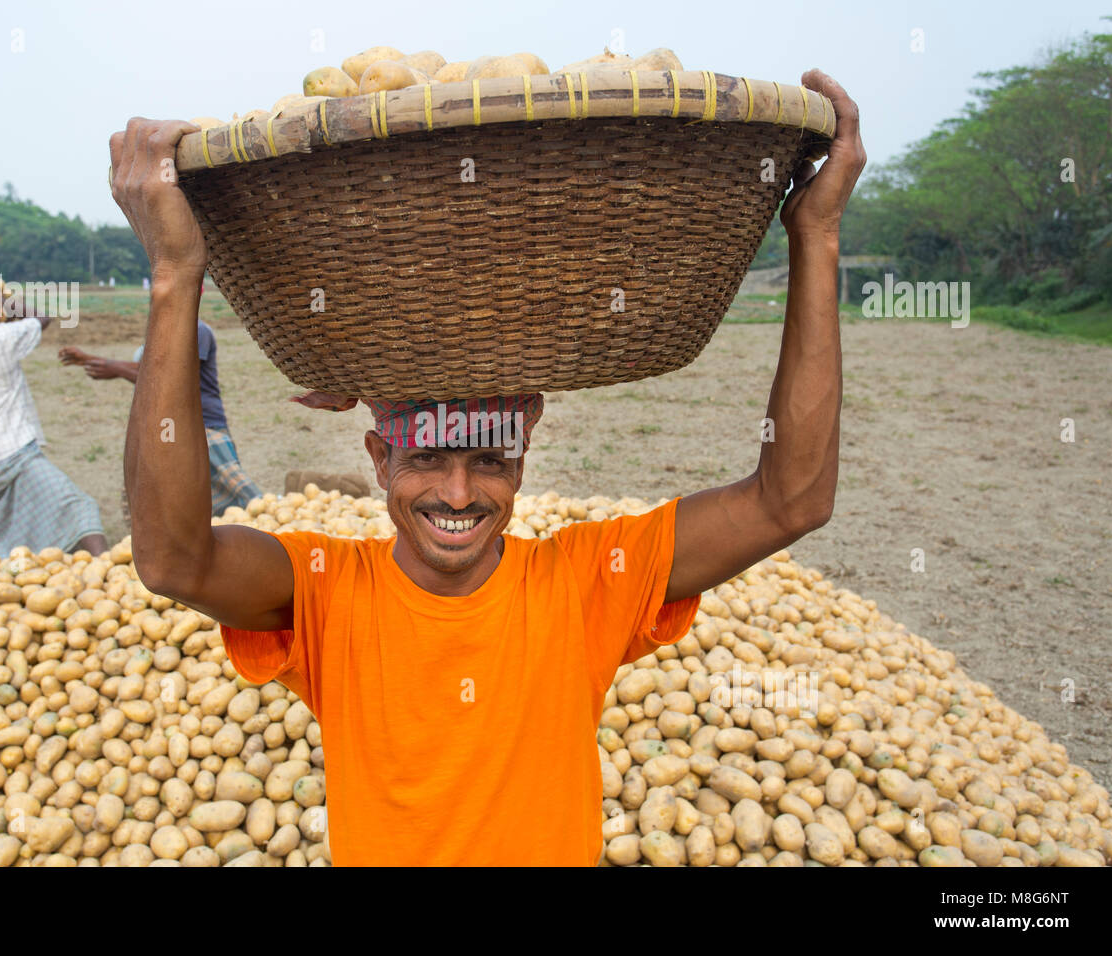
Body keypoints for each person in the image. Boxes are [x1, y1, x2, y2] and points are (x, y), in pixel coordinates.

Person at [108, 67, 865, 866]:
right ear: (376, 457)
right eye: (426, 456)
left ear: (524, 454)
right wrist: (173, 274)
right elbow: (171, 559)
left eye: (490, 459)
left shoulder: (586, 582)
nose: (459, 493)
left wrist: (816, 235)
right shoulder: (328, 590)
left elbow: (794, 501)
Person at [0, 290, 108, 556]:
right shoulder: (2, 337)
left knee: (6, 534)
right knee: (79, 506)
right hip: (16, 450)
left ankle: (7, 581)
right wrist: (12, 303)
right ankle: (105, 566)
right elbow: (42, 318)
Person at [58, 309, 261, 519]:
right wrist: (89, 359)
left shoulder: (197, 331)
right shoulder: (165, 333)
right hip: (171, 424)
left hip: (201, 425)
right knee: (177, 496)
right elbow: (148, 369)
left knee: (235, 500)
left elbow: (172, 381)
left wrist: (115, 369)